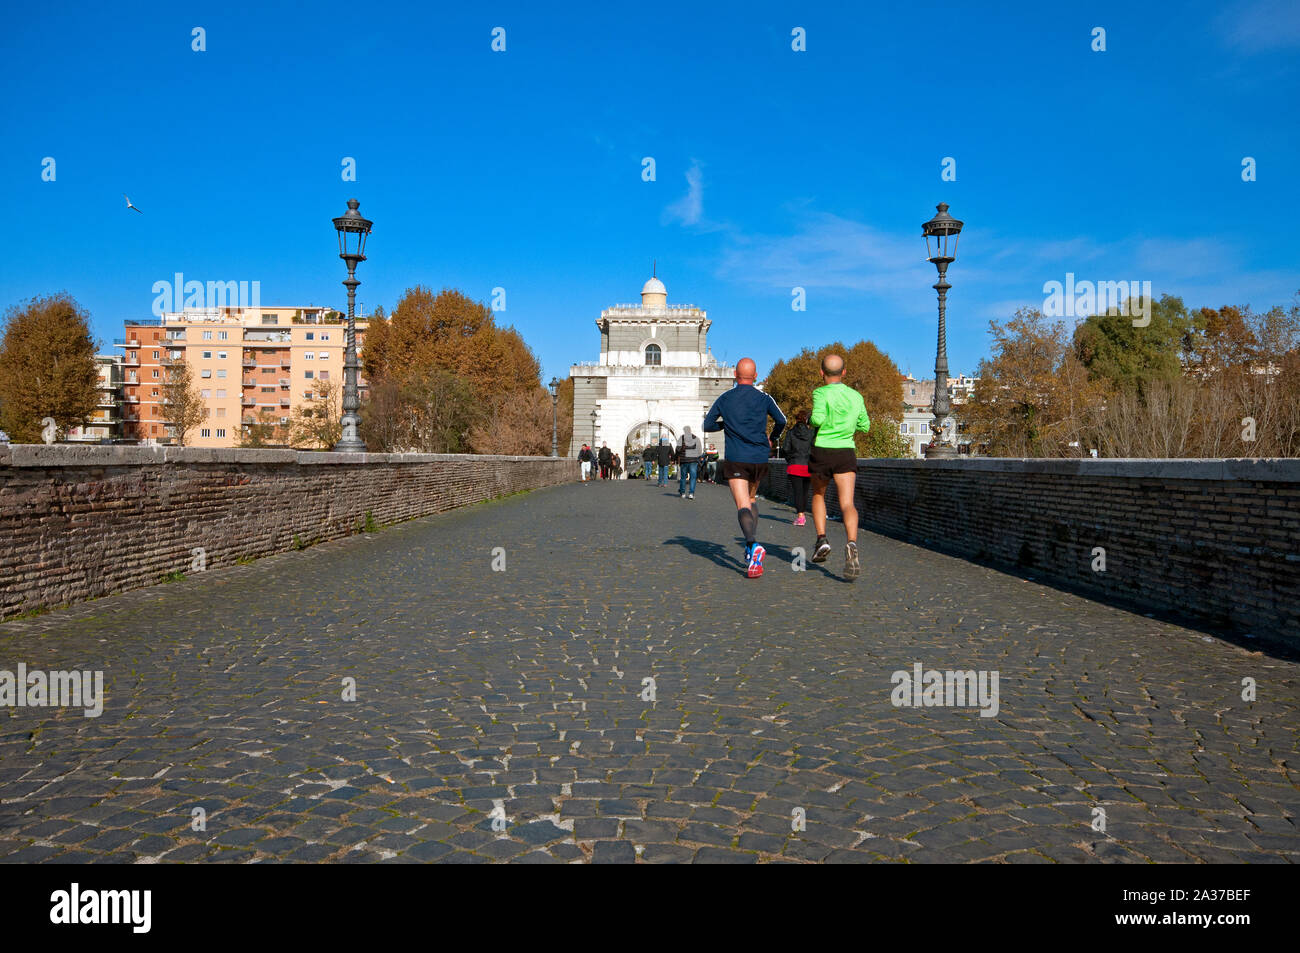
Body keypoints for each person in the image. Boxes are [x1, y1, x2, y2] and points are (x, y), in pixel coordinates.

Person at [702, 357, 786, 578]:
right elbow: (782, 420)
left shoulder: (725, 398)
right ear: (755, 375)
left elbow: (707, 425)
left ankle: (752, 544)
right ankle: (751, 552)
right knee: (751, 500)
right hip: (759, 458)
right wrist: (772, 438)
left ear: (734, 375)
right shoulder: (764, 398)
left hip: (737, 457)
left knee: (742, 505)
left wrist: (725, 424)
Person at [808, 353, 870, 579]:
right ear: (844, 373)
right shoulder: (856, 396)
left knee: (818, 495)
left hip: (823, 449)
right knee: (847, 502)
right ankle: (851, 543)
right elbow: (865, 425)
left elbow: (817, 419)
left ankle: (822, 539)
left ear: (821, 373)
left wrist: (809, 419)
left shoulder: (820, 393)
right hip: (845, 451)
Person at [780, 409, 814, 526]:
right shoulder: (811, 433)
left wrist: (790, 460)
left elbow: (785, 449)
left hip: (794, 466)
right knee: (805, 492)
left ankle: (800, 516)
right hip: (808, 466)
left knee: (797, 492)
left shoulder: (790, 433)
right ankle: (802, 514)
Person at [677, 426, 702, 499]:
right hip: (693, 460)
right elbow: (699, 451)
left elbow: (677, 449)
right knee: (693, 477)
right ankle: (691, 493)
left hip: (684, 460)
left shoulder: (681, 438)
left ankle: (683, 493)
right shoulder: (696, 438)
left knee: (683, 477)